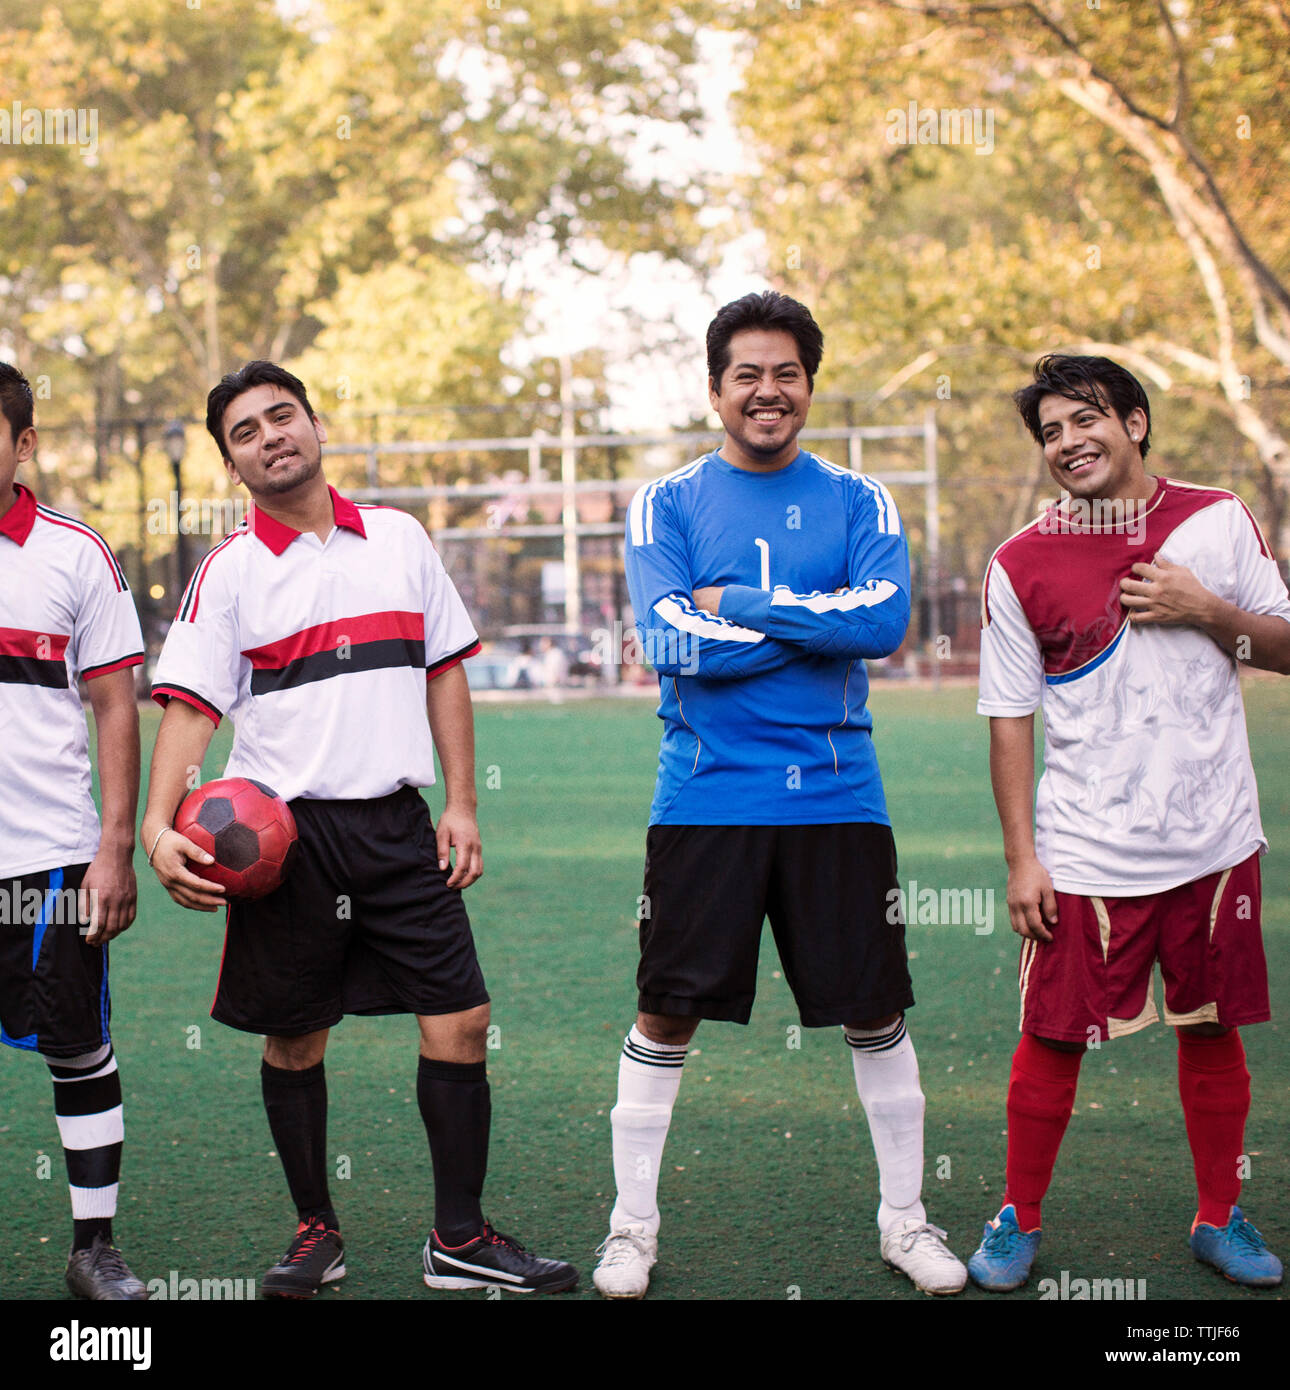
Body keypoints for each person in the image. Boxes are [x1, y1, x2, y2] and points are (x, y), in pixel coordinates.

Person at [142, 361, 577, 1298]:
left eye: (281, 416)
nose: (269, 437)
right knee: (295, 1039)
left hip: (395, 828)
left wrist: (461, 802)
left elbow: (446, 670)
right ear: (232, 465)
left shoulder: (399, 540)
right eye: (246, 433)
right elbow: (188, 710)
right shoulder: (227, 573)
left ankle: (458, 1238)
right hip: (279, 841)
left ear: (315, 423)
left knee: (462, 1021)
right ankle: (315, 1231)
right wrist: (153, 821)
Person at [592, 291, 968, 1299]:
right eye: (748, 374)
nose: (769, 391)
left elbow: (882, 622)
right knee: (667, 1009)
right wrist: (806, 623)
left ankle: (906, 1218)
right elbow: (669, 641)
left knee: (874, 1008)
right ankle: (632, 1227)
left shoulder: (861, 499)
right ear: (716, 390)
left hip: (840, 798)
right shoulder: (663, 504)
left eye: (787, 373)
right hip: (706, 797)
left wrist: (737, 609)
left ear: (809, 383)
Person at [971, 353, 1290, 1291]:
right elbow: (1009, 717)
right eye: (1052, 431)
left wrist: (1206, 609)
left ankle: (1218, 1216)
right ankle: (1016, 1219)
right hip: (1085, 850)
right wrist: (1022, 857)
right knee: (1052, 1035)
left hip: (1215, 840)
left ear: (1136, 423)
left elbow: (1282, 645)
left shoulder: (1219, 520)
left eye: (1087, 419)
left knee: (1211, 1028)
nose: (1070, 442)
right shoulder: (1019, 562)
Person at [0, 361, 146, 1299]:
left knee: (74, 1047)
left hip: (45, 853)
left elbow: (115, 705)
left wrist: (115, 847)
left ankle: (93, 1247)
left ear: (24, 444)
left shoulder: (73, 553)